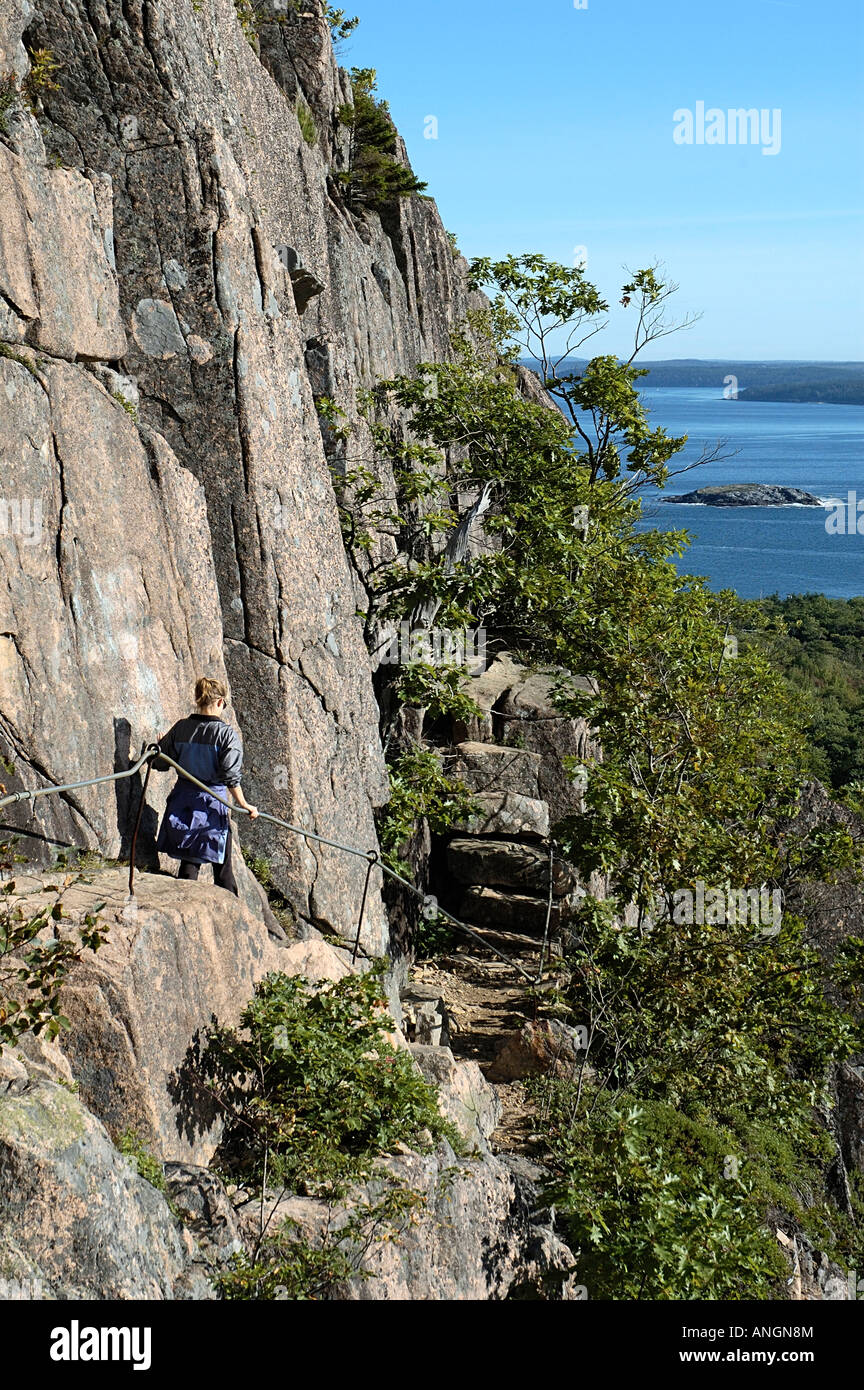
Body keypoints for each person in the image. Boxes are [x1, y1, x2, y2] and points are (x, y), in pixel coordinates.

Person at [154, 677, 258, 896]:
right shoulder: (226, 735)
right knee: (223, 869)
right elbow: (230, 775)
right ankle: (233, 915)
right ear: (220, 702)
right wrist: (244, 804)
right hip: (212, 805)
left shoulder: (181, 728)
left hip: (182, 803)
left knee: (189, 864)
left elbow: (159, 763)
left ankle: (182, 907)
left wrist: (161, 746)